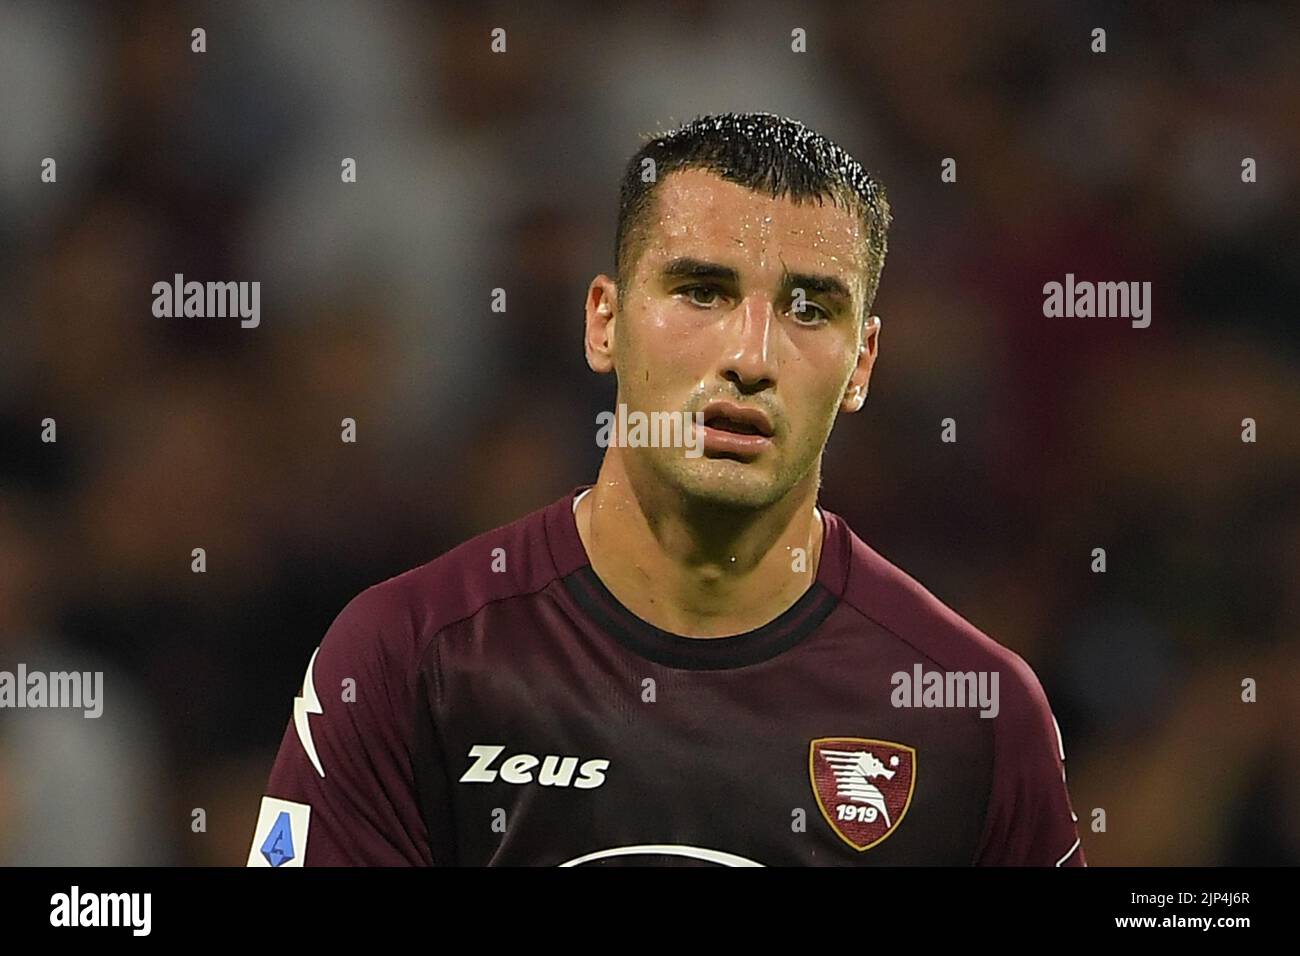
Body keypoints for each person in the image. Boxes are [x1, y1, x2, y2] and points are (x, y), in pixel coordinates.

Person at [249, 112, 1084, 867]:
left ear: (861, 363)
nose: (751, 358)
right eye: (702, 292)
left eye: (807, 309)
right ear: (604, 322)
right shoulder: (411, 657)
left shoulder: (972, 714)